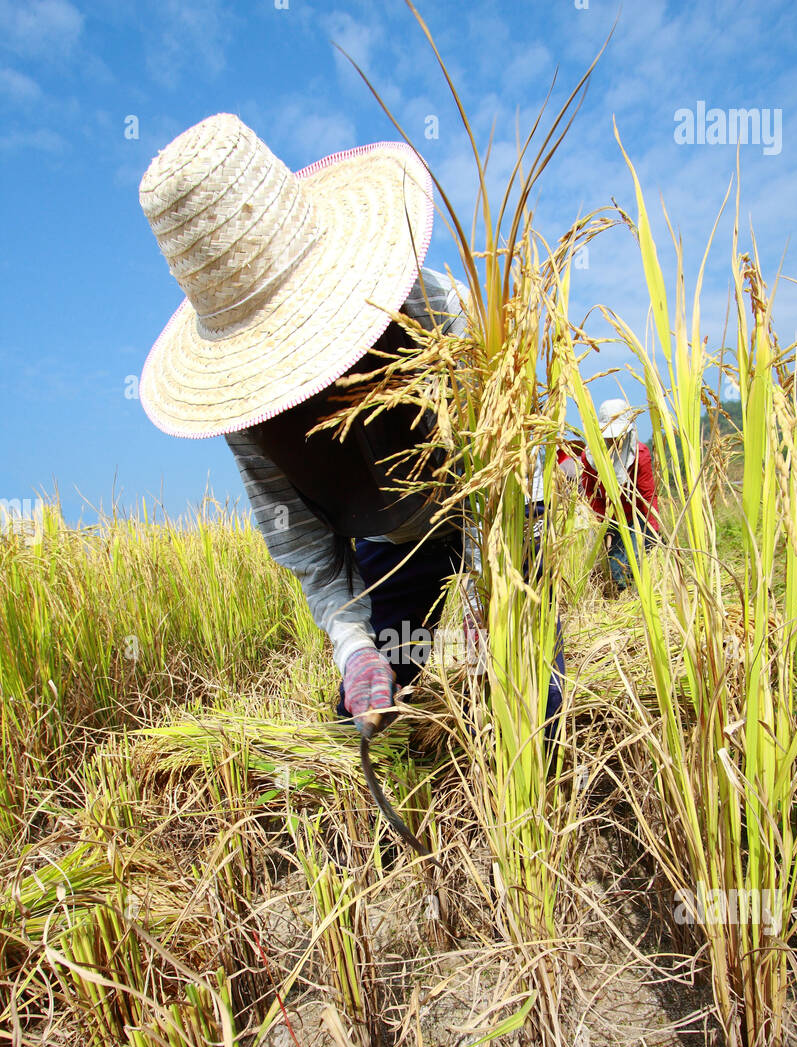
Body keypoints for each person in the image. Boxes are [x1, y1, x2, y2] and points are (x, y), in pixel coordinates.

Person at [137, 114, 564, 739]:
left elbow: (507, 462)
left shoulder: (440, 312)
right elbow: (308, 546)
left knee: (526, 704)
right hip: (392, 544)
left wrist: (483, 594)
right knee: (362, 727)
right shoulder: (249, 413)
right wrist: (354, 648)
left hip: (492, 519)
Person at [559, 399, 660, 591]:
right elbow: (591, 493)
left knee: (625, 567)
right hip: (609, 518)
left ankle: (633, 601)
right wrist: (602, 525)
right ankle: (621, 597)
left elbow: (647, 495)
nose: (614, 441)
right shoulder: (590, 457)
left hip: (634, 519)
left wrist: (653, 529)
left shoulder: (639, 454)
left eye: (619, 435)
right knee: (613, 567)